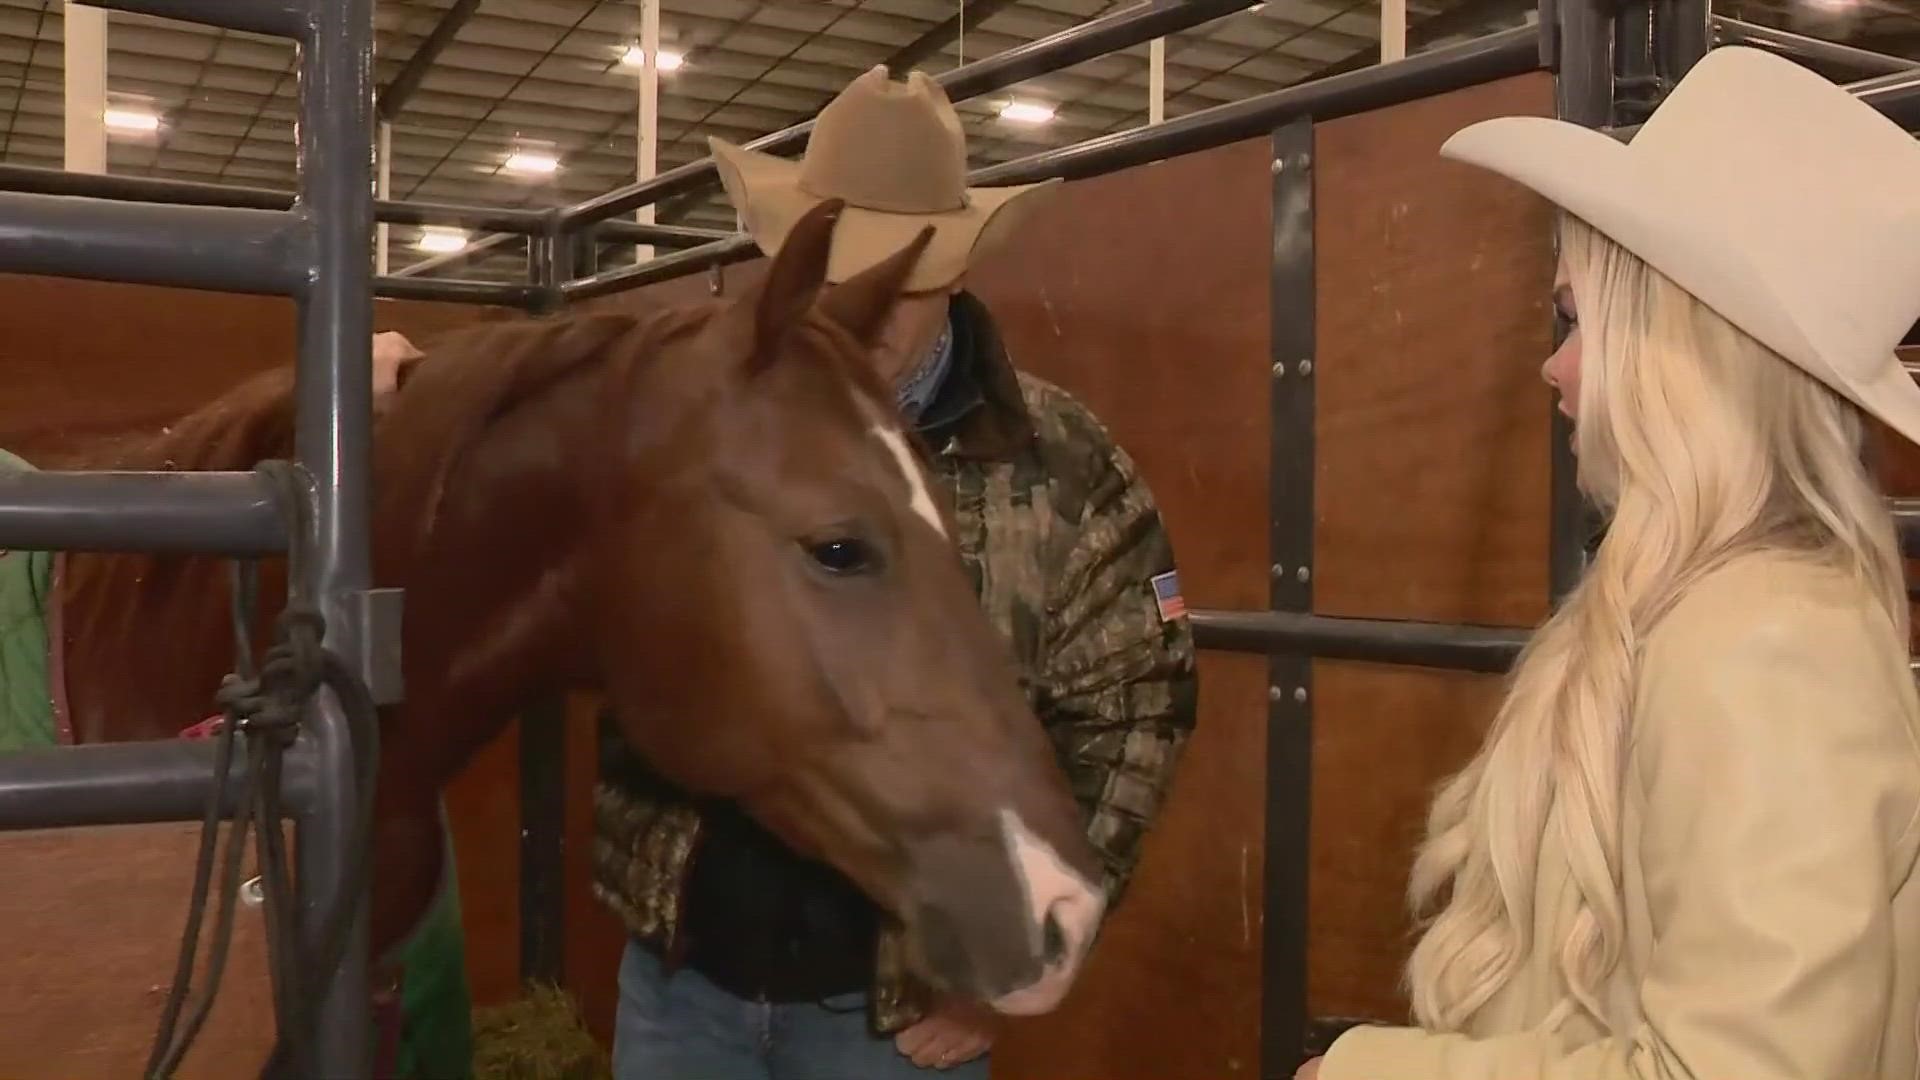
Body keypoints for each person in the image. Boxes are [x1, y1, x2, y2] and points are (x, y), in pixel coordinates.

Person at [1303, 46, 1920, 1080]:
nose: (1554, 364)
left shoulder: (1767, 644)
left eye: (1578, 319)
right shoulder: (1712, 611)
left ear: (1671, 344)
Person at [593, 66, 1200, 1079]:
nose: (865, 305)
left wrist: (1014, 956)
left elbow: (1135, 713)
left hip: (893, 1025)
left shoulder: (1062, 469)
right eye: (831, 263)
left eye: (903, 272)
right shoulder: (696, 425)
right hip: (684, 987)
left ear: (959, 270)